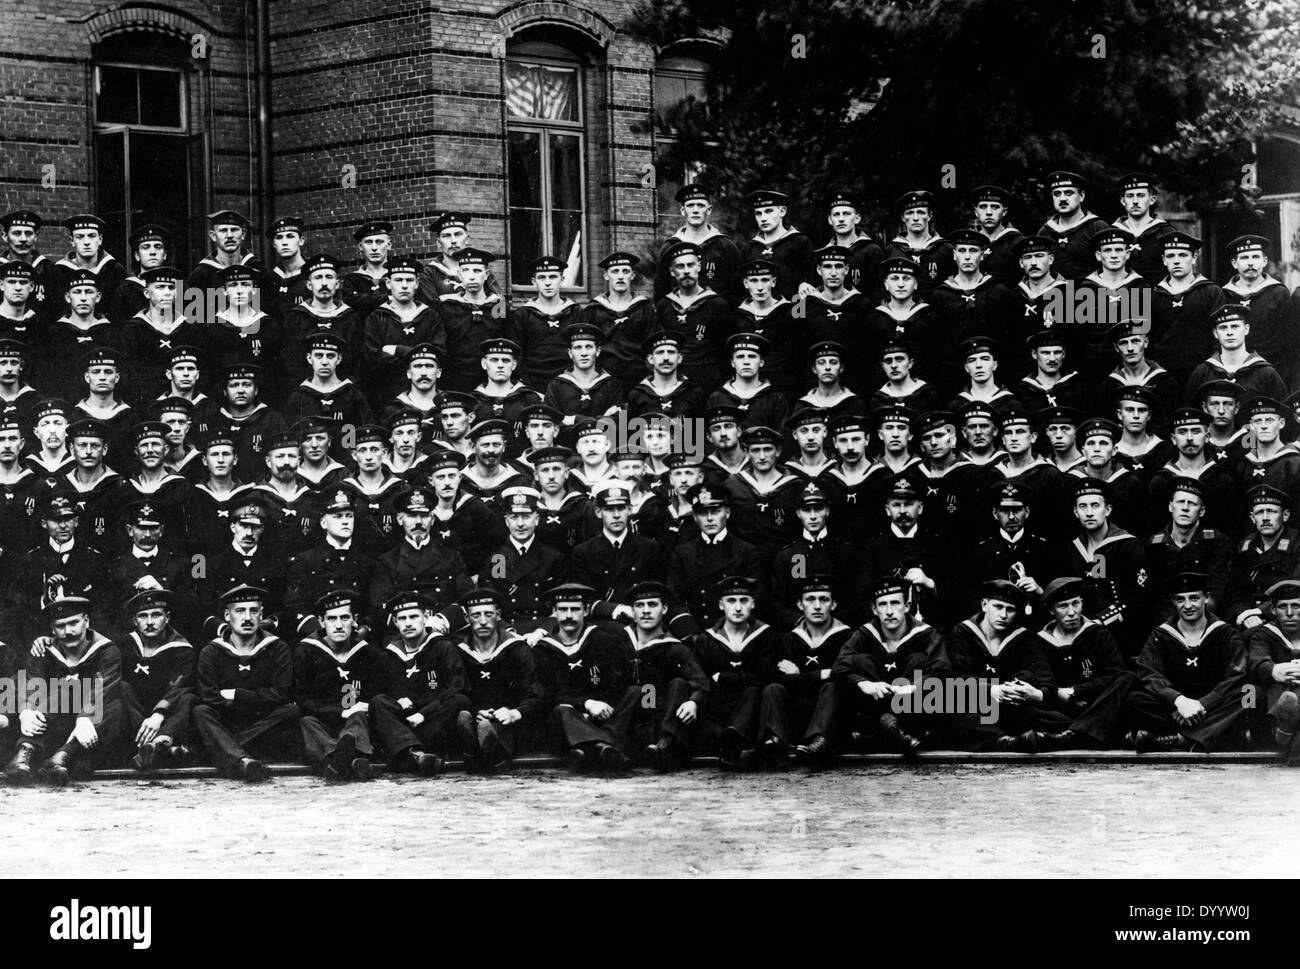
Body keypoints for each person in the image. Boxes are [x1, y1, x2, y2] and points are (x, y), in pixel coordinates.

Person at [4, 594, 125, 785]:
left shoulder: (107, 651)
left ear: (86, 621)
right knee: (62, 692)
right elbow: (30, 682)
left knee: (116, 704)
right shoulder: (43, 650)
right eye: (60, 626)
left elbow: (105, 686)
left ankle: (62, 757)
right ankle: (24, 752)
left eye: (73, 623)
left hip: (88, 731)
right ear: (52, 629)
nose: (68, 631)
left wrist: (86, 718)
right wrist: (26, 711)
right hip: (50, 726)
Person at [1123, 571, 1249, 752]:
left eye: (1194, 598)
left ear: (1206, 598)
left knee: (1250, 695)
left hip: (1213, 704)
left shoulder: (1225, 634)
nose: (1188, 605)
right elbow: (1148, 672)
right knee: (1134, 699)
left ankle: (1180, 739)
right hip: (1176, 708)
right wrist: (1178, 700)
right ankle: (1213, 734)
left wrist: (1202, 704)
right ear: (1173, 602)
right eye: (1180, 599)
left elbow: (1236, 675)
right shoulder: (1161, 635)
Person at [191, 584, 304, 782]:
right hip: (227, 722)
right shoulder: (211, 651)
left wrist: (236, 694)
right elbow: (209, 697)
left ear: (261, 615)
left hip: (264, 723)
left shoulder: (278, 648)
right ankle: (243, 760)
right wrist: (259, 697)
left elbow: (282, 694)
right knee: (201, 711)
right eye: (240, 611)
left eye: (254, 611)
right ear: (227, 616)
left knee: (292, 710)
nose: (247, 618)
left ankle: (228, 750)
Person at [832, 576, 950, 756]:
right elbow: (839, 668)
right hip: (873, 704)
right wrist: (865, 684)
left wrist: (914, 687)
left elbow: (943, 670)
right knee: (863, 661)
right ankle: (893, 730)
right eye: (882, 604)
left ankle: (886, 731)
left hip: (911, 708)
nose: (889, 611)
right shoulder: (864, 634)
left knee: (917, 660)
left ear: (907, 606)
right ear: (874, 608)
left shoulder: (926, 634)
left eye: (895, 603)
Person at [529, 583, 636, 772]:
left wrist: (599, 705)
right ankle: (606, 747)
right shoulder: (543, 650)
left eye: (575, 609)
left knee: (635, 693)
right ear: (554, 612)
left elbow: (617, 684)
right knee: (560, 711)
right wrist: (585, 704)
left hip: (604, 711)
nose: (569, 615)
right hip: (570, 714)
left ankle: (591, 748)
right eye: (562, 610)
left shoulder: (604, 640)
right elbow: (548, 695)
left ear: (586, 610)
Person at [945, 580, 1057, 752]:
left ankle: (1008, 739)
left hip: (1010, 709)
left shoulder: (1023, 637)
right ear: (984, 605)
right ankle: (1003, 740)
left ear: (1018, 611)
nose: (1003, 615)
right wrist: (993, 690)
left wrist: (1035, 693)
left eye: (1010, 609)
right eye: (998, 606)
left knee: (1027, 679)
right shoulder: (962, 633)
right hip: (974, 707)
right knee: (948, 708)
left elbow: (1046, 678)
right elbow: (955, 680)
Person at [367, 590, 471, 775]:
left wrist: (421, 712)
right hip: (401, 723)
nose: (408, 623)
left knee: (460, 700)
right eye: (402, 618)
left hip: (430, 720)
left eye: (414, 617)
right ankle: (418, 756)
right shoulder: (387, 656)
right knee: (378, 702)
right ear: (395, 623)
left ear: (426, 617)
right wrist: (399, 703)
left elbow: (456, 687)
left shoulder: (443, 648)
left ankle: (408, 755)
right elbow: (381, 693)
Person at [1032, 576, 1139, 750]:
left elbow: (1114, 674)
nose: (1072, 612)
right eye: (1063, 606)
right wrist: (1060, 694)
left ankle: (1072, 735)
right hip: (1060, 708)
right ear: (1051, 610)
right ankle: (1088, 733)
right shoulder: (1040, 641)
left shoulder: (1098, 634)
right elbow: (1039, 679)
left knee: (1128, 678)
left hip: (1097, 704)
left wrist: (1075, 692)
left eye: (1076, 603)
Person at [687, 575, 780, 770]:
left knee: (754, 691)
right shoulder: (706, 639)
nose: (738, 608)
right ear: (721, 605)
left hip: (753, 711)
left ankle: (734, 745)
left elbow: (766, 677)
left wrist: (723, 677)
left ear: (753, 604)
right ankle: (736, 745)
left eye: (743, 601)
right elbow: (702, 681)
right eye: (731, 601)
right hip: (719, 711)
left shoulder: (766, 635)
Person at [759, 575, 853, 764]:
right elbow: (778, 677)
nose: (817, 606)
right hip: (798, 713)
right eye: (810, 599)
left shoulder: (847, 636)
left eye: (824, 599)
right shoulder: (788, 639)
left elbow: (843, 676)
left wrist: (800, 676)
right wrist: (823, 673)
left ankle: (820, 742)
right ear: (800, 605)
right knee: (773, 689)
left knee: (831, 688)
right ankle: (776, 741)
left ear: (833, 605)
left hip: (831, 716)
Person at [454, 587, 545, 773]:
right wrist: (476, 711)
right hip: (477, 713)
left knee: (502, 727)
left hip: (509, 717)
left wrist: (515, 712)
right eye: (476, 615)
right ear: (466, 619)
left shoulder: (517, 648)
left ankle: (479, 752)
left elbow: (536, 691)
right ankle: (477, 746)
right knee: (464, 714)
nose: (483, 621)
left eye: (488, 614)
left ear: (498, 615)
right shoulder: (460, 651)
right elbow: (457, 690)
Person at [293, 589, 380, 782]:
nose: (339, 625)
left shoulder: (367, 653)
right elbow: (302, 698)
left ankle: (334, 765)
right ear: (321, 622)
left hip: (356, 721)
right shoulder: (306, 651)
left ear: (355, 620)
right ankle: (351, 759)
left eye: (345, 618)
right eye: (332, 619)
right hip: (323, 719)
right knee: (306, 721)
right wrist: (339, 712)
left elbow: (377, 691)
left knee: (358, 717)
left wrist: (365, 705)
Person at [1064, 477, 1151, 657]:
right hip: (1081, 629)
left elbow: (1139, 595)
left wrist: (1102, 620)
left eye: (1095, 506)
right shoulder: (1073, 548)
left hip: (1123, 631)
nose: (1089, 513)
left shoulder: (1128, 545)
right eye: (1083, 507)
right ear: (1075, 512)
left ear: (1108, 509)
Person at [666, 482, 765, 637]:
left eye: (716, 511)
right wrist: (690, 633)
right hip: (694, 633)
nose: (710, 518)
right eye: (703, 513)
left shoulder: (747, 551)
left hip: (734, 632)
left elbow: (755, 599)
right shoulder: (682, 552)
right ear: (694, 517)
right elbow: (674, 598)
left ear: (727, 513)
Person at [117, 588, 198, 770]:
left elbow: (179, 686)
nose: (150, 622)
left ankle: (156, 745)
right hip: (135, 716)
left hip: (165, 716)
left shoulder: (181, 648)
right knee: (121, 687)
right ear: (134, 621)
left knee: (189, 698)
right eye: (143, 616)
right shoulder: (124, 644)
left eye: (156, 615)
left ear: (167, 618)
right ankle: (154, 748)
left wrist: (158, 714)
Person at [1143, 477, 1232, 623]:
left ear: (1201, 511)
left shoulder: (1217, 542)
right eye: (1180, 502)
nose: (1185, 508)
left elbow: (1217, 589)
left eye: (1191, 503)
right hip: (1164, 620)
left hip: (1206, 616)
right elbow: (1154, 594)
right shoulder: (1154, 545)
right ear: (1171, 507)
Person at [1220, 234, 1296, 386]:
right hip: (1234, 371)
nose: (1250, 263)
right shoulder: (1223, 294)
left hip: (1272, 370)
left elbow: (1290, 341)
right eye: (1244, 258)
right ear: (1234, 263)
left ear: (1264, 261)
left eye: (1255, 257)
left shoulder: (1278, 293)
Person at [1150, 231, 1224, 388]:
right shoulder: (1154, 295)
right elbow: (1148, 339)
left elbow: (1219, 337)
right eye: (1170, 256)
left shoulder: (1211, 291)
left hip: (1202, 373)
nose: (1176, 261)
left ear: (1194, 258)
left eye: (1183, 255)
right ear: (1164, 260)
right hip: (1164, 375)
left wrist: (1211, 371)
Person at [1223, 485, 1300, 629]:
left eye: (1271, 511)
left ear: (1285, 515)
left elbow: (1296, 586)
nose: (1265, 518)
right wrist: (1243, 614)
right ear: (1252, 517)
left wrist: (1260, 612)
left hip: (1288, 616)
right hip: (1249, 619)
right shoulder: (1245, 545)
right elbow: (1235, 592)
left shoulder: (1296, 543)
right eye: (1259, 512)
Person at [654, 185, 741, 302]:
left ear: (709, 210)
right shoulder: (669, 247)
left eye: (700, 205)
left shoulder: (725, 246)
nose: (695, 210)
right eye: (690, 205)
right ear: (683, 211)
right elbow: (661, 292)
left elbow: (737, 292)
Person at [1245, 579, 1300, 761]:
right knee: (1251, 690)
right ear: (1273, 610)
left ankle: (1285, 733)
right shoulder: (1264, 634)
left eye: (1296, 606)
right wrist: (1274, 670)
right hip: (1273, 700)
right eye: (1283, 607)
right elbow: (1257, 661)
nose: (1290, 613)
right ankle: (1284, 728)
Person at [583, 251, 654, 390]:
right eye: (615, 271)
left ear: (632, 275)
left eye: (625, 271)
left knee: (627, 412)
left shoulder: (644, 309)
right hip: (603, 383)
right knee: (614, 412)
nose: (620, 276)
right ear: (606, 276)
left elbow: (652, 346)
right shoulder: (594, 310)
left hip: (637, 382)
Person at [1036, 171, 1110, 282]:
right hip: (1055, 295)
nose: (1062, 199)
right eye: (1057, 194)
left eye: (1069, 193)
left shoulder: (1097, 227)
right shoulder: (1045, 231)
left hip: (1090, 294)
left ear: (1081, 196)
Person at [741, 189, 814, 301]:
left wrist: (805, 284)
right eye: (758, 213)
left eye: (769, 211)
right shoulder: (750, 248)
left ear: (782, 211)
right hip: (762, 313)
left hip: (795, 310)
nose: (763, 218)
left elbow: (811, 277)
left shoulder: (800, 243)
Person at [883, 190, 953, 297]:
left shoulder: (946, 249)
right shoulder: (891, 250)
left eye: (920, 212)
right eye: (909, 213)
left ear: (929, 216)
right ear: (903, 217)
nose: (915, 218)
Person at [1112, 173, 1176, 285]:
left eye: (1141, 195)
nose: (1135, 201)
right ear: (1123, 201)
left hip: (1155, 298)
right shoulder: (1112, 232)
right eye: (1130, 196)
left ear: (1152, 200)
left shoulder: (1166, 233)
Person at [340, 220, 395, 321]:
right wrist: (388, 298)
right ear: (361, 247)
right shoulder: (353, 280)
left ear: (389, 245)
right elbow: (351, 304)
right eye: (369, 242)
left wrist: (365, 300)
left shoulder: (399, 276)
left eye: (379, 242)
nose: (374, 248)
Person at [969, 184, 1025, 285]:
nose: (989, 212)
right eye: (983, 207)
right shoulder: (968, 243)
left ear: (1004, 212)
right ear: (976, 212)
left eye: (995, 207)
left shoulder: (1018, 242)